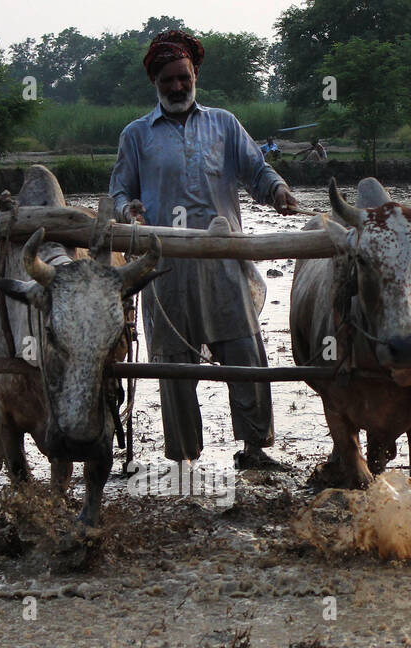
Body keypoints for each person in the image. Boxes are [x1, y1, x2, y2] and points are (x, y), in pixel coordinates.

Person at [109, 29, 300, 471]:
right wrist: (128, 208)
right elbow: (119, 191)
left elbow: (257, 170)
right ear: (154, 84)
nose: (177, 87)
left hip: (224, 260)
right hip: (166, 270)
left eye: (183, 78)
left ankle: (254, 449)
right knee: (174, 365)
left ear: (194, 74)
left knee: (245, 354)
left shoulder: (224, 124)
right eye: (167, 81)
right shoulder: (137, 135)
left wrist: (278, 191)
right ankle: (183, 460)